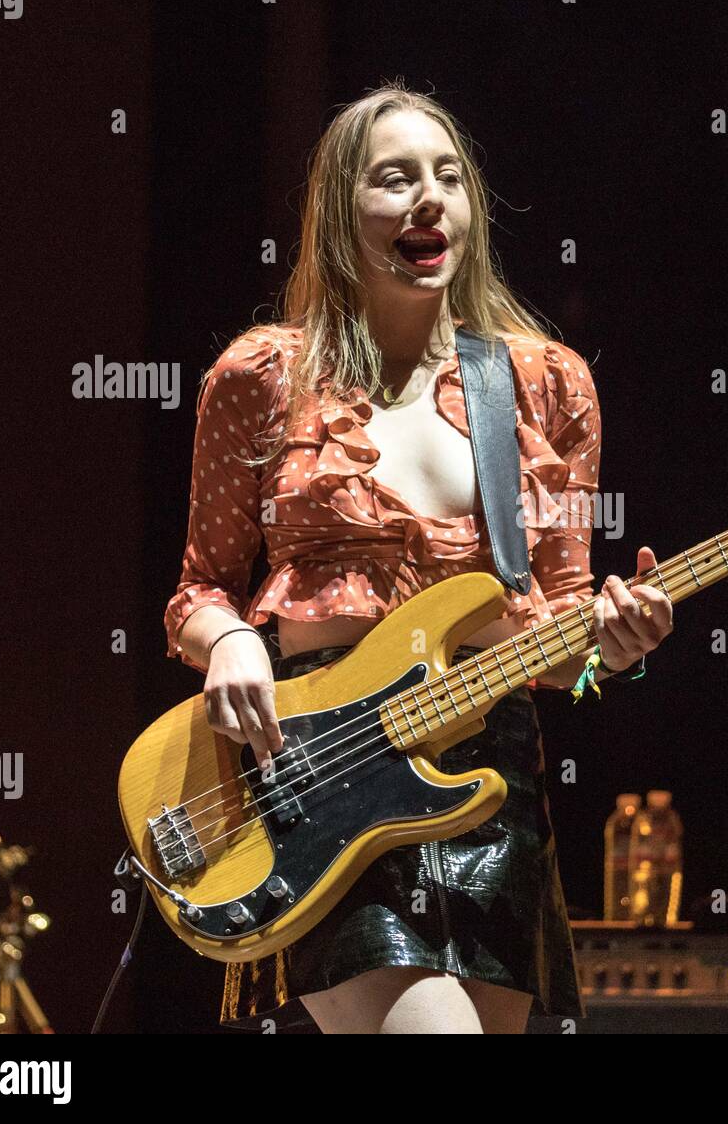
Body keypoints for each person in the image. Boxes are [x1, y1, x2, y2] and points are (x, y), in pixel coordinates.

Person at [163, 81, 674, 1034]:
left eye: (448, 177)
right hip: (327, 775)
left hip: (491, 783)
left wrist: (616, 642)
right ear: (338, 216)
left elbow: (562, 629)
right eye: (394, 180)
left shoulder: (546, 387)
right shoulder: (262, 378)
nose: (427, 198)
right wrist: (232, 639)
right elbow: (198, 587)